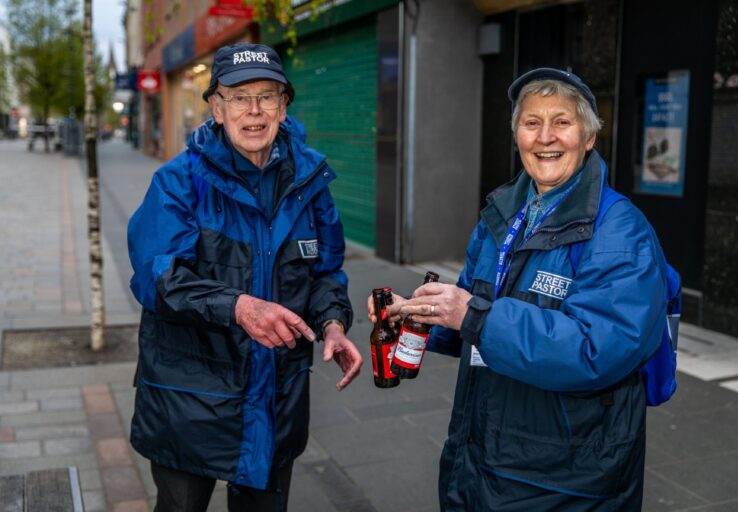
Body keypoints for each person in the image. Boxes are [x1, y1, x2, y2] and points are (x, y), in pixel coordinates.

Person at [372, 68, 668, 510]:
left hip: (564, 479)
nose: (545, 137)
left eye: (562, 122)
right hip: (479, 457)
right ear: (517, 137)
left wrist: (474, 316)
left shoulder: (620, 230)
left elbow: (598, 350)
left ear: (589, 137)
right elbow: (471, 312)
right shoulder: (502, 212)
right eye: (532, 122)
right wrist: (419, 316)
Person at [127, 43, 363, 512]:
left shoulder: (310, 182)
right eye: (238, 97)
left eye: (267, 96)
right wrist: (238, 307)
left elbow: (326, 271)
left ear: (283, 106)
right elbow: (158, 279)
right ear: (217, 109)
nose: (254, 110)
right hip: (188, 399)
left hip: (276, 398)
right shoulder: (178, 181)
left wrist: (333, 323)